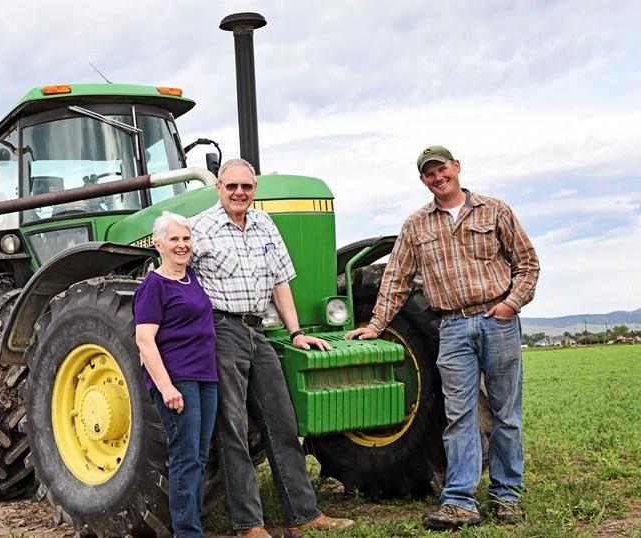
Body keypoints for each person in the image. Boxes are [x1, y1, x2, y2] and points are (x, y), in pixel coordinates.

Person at [346, 146, 540, 529]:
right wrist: (375, 325)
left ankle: (507, 496)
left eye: (442, 169)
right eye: (429, 173)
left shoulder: (494, 210)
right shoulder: (416, 225)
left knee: (505, 413)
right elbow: (395, 281)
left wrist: (511, 304)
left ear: (457, 168)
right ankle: (460, 500)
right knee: (458, 415)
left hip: (496, 320)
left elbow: (528, 264)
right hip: (451, 327)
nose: (438, 177)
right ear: (423, 180)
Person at [190, 158, 354, 538]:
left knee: (282, 422)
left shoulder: (265, 223)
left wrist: (296, 333)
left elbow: (281, 282)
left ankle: (304, 515)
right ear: (219, 188)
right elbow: (176, 273)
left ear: (254, 190)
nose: (239, 193)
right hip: (221, 329)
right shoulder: (200, 227)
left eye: (246, 187)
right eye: (231, 186)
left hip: (258, 331)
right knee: (232, 428)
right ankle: (249, 525)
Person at [134, 211, 219, 538]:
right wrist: (166, 386)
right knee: (185, 456)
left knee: (198, 455)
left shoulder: (191, 277)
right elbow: (144, 340)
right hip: (176, 379)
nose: (182, 245)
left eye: (186, 239)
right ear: (158, 245)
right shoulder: (153, 286)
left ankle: (191, 526)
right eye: (174, 239)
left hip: (205, 376)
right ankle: (187, 533)